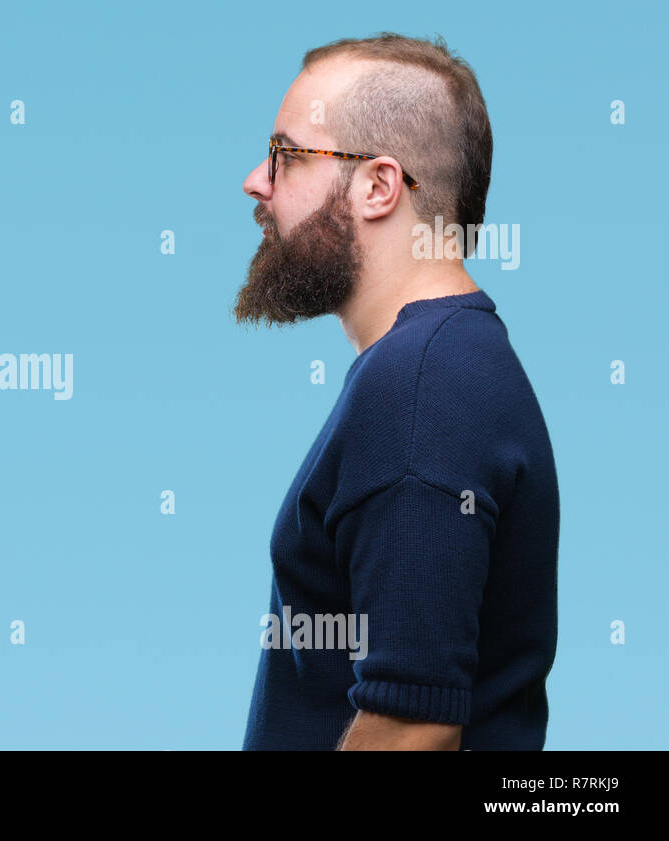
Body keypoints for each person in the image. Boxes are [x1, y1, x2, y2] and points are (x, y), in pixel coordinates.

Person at [236, 33, 559, 750]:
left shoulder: (420, 384)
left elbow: (413, 728)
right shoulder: (450, 365)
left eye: (287, 155)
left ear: (379, 186)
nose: (257, 180)